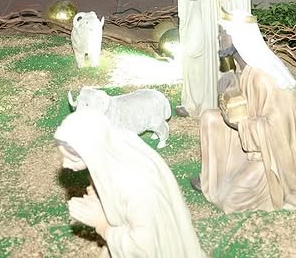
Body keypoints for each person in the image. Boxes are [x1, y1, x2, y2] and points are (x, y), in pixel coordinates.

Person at [197, 10, 296, 213]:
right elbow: (241, 96)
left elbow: (277, 130)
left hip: (272, 157)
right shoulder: (245, 67)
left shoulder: (265, 79)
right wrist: (229, 84)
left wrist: (237, 124)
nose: (219, 38)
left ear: (237, 40)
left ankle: (241, 185)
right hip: (254, 143)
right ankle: (216, 176)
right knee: (209, 118)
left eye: (223, 34)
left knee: (229, 200)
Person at [54, 110, 203, 258]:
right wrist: (96, 195)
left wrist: (101, 223)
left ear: (91, 152)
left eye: (73, 159)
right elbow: (102, 179)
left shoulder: (135, 186)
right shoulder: (113, 145)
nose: (65, 164)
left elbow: (143, 247)